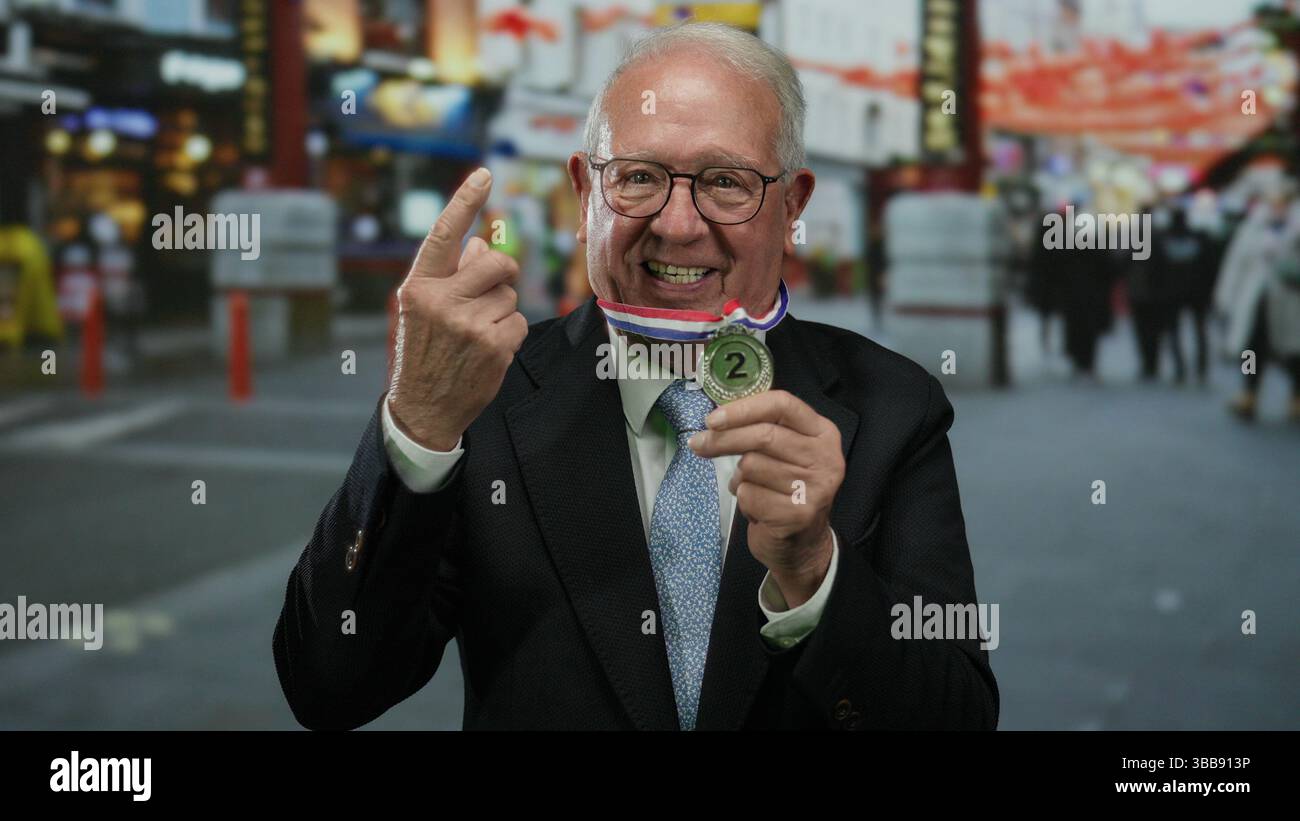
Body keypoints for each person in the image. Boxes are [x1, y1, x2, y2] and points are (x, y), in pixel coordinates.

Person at [273, 22, 997, 730]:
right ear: (585, 189)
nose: (678, 225)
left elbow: (958, 716)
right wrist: (419, 421)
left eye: (725, 182)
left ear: (792, 205)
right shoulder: (486, 396)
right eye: (640, 177)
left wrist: (815, 572)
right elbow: (329, 688)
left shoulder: (894, 406)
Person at [1214, 183, 1300, 421]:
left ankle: (1296, 396)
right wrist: (1226, 297)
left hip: (1291, 300)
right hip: (1255, 300)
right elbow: (1235, 264)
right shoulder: (1252, 228)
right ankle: (1249, 392)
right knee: (1251, 350)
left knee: (1295, 352)